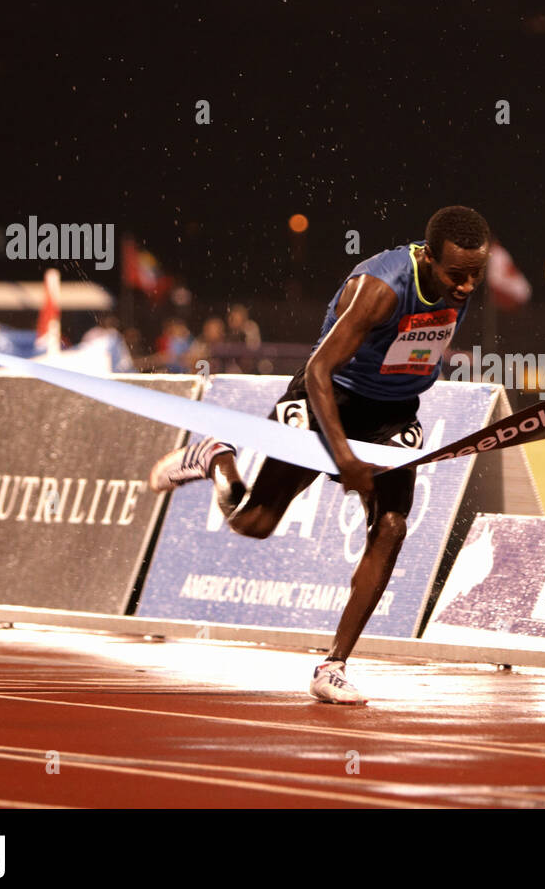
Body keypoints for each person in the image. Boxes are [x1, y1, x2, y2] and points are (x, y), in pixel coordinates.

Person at [148, 206, 490, 704]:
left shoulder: (458, 276)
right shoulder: (380, 287)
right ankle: (216, 457)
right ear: (429, 255)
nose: (465, 286)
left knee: (392, 526)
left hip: (392, 413)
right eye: (455, 275)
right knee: (255, 522)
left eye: (475, 275)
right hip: (326, 399)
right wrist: (343, 455)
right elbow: (318, 370)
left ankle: (333, 666)